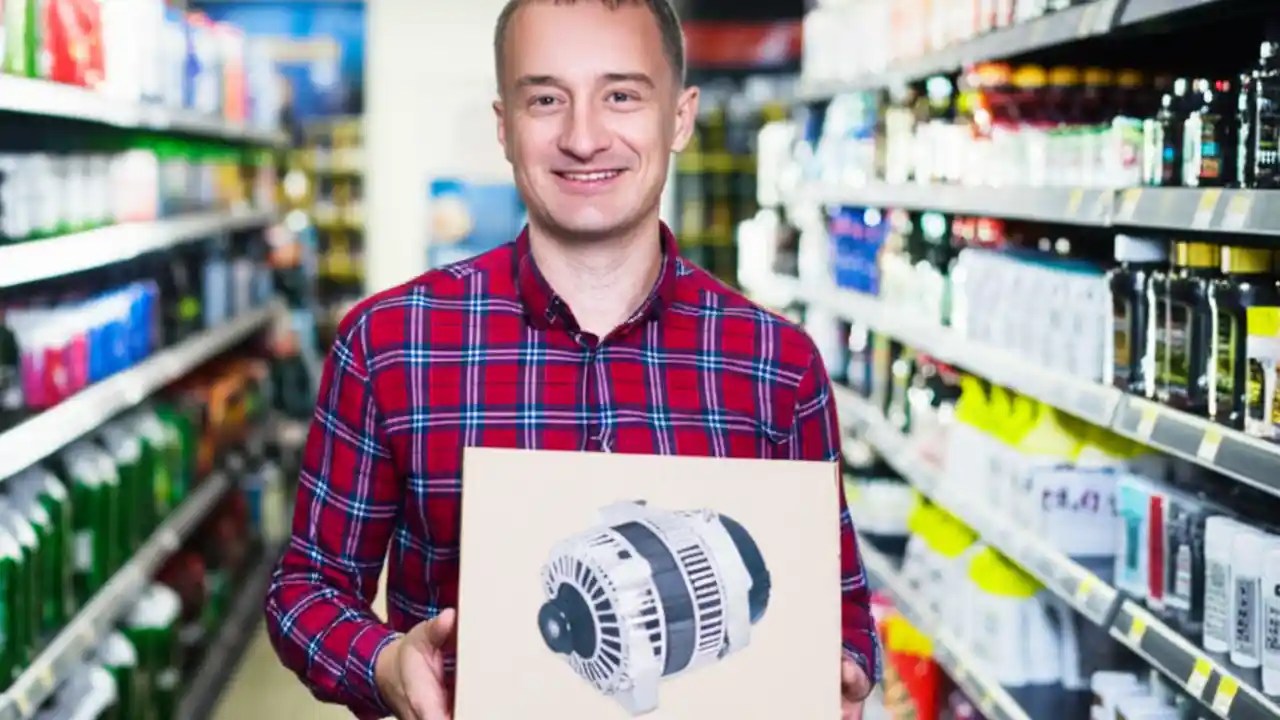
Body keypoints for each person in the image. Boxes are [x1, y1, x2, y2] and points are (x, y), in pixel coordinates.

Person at [262, 1, 881, 718]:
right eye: (546, 99)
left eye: (621, 95)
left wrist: (842, 673)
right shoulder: (391, 344)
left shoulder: (777, 366)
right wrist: (384, 662)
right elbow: (304, 588)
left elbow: (842, 610)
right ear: (504, 126)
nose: (584, 138)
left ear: (679, 118)